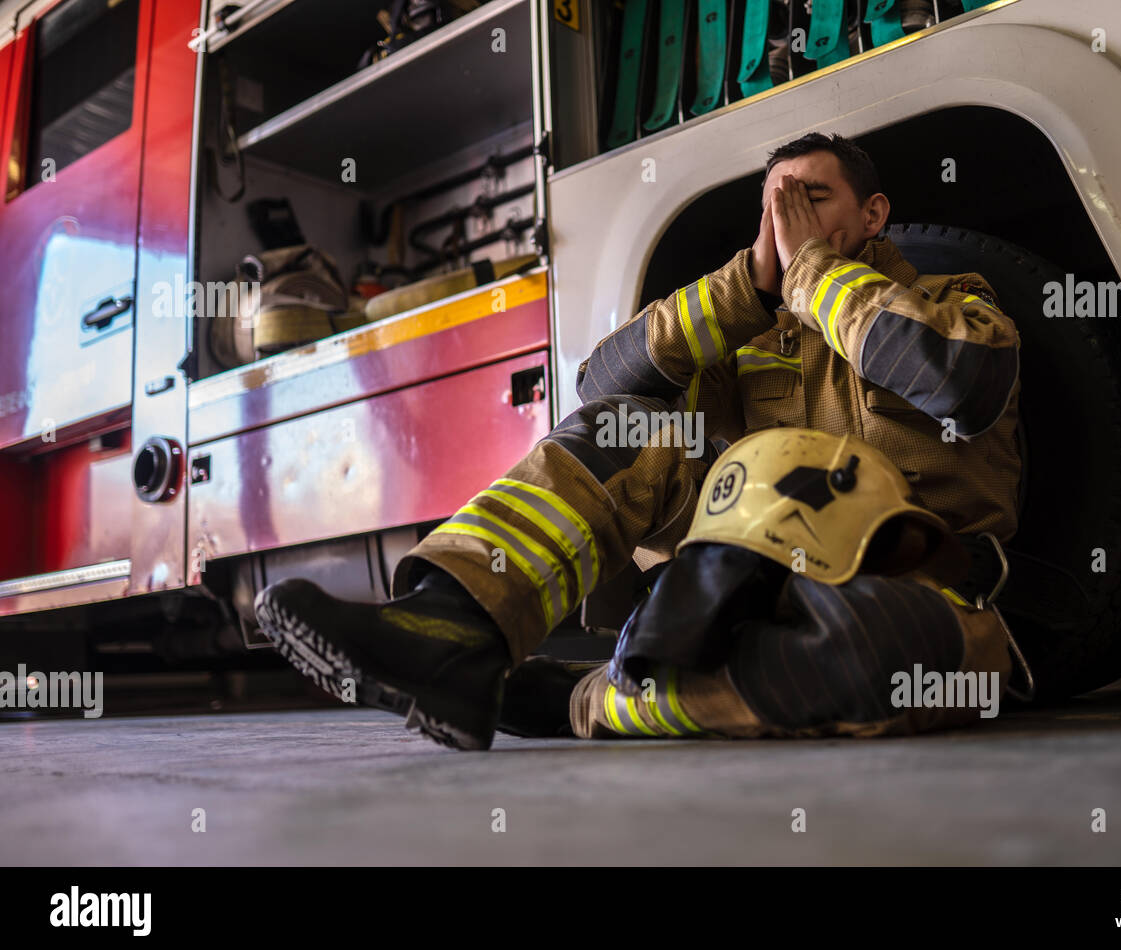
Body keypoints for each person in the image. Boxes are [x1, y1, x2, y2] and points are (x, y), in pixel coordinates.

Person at [254, 132, 1023, 750]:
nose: (788, 223)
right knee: (633, 423)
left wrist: (813, 270)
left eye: (812, 199)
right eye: (774, 208)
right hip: (754, 585)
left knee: (877, 656)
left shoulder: (953, 302)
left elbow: (957, 380)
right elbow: (603, 386)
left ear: (874, 214)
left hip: (920, 585)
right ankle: (451, 623)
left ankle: (587, 698)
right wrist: (747, 290)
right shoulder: (752, 341)